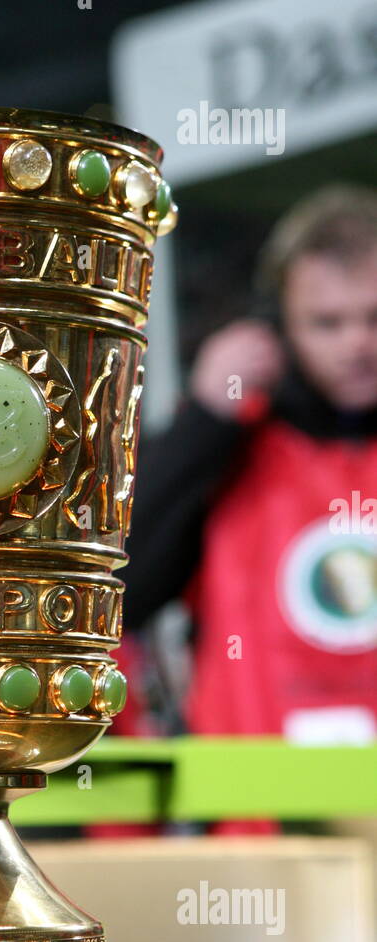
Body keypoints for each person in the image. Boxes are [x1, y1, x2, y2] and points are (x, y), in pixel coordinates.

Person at [123, 186, 377, 744]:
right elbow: (121, 595)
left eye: (373, 318)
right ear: (279, 327)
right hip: (260, 811)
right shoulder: (226, 443)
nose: (358, 343)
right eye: (328, 323)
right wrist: (205, 420)